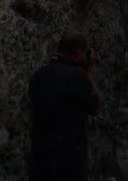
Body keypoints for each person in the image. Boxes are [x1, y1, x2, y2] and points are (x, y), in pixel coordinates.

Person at [29, 30, 101, 181]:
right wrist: (88, 72)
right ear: (79, 52)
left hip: (40, 156)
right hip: (68, 161)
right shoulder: (77, 76)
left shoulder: (38, 75)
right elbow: (95, 107)